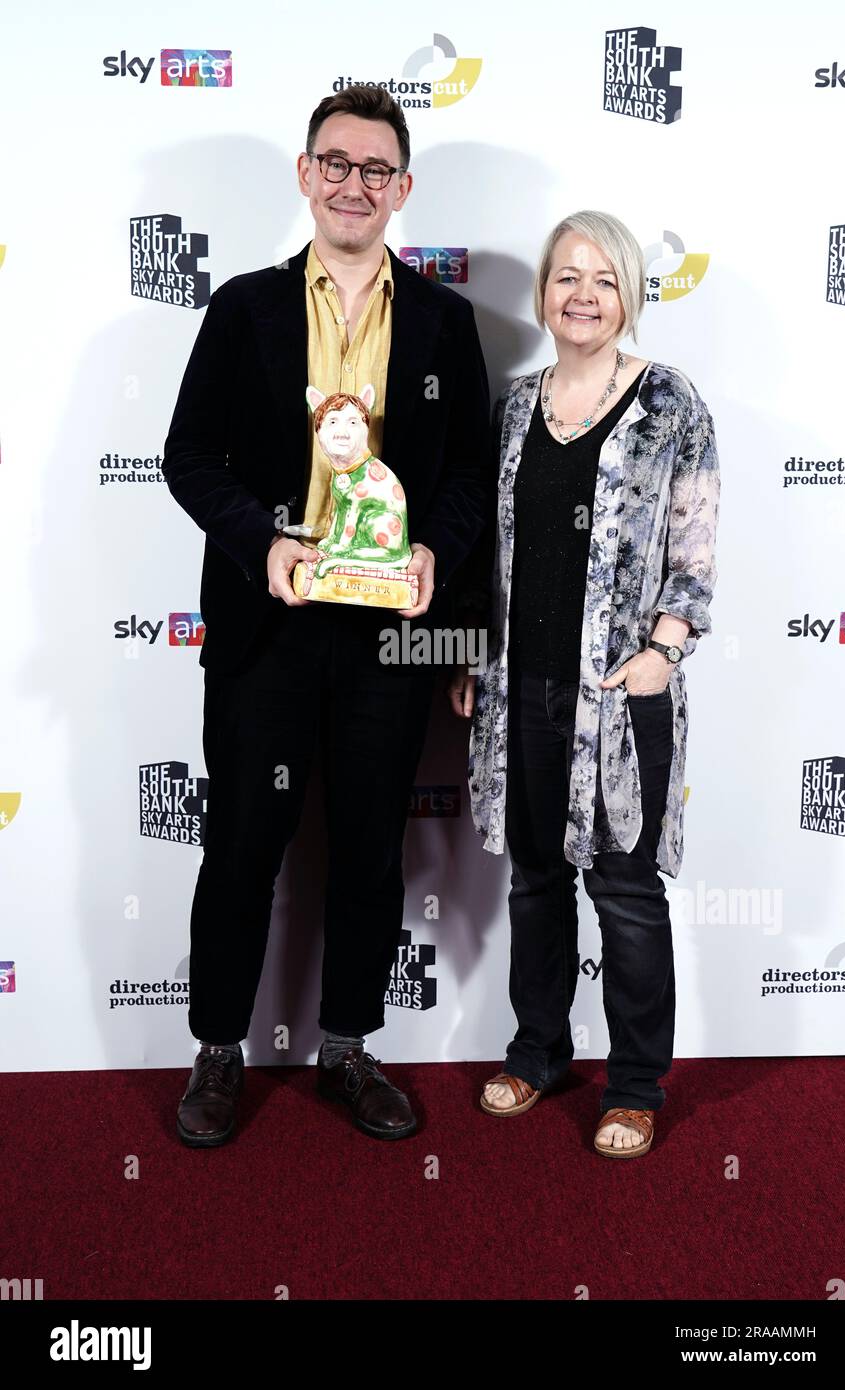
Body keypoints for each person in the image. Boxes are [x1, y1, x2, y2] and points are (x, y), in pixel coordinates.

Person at [163, 86, 490, 1146]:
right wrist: (264, 546)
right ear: (306, 175)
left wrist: (434, 552)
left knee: (366, 847)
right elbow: (188, 461)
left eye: (376, 168)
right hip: (271, 624)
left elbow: (469, 474)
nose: (355, 184)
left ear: (403, 189)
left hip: (391, 631)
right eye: (335, 163)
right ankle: (218, 1049)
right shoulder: (241, 309)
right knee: (245, 838)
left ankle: (347, 1047)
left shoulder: (445, 321)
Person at [449, 210, 720, 1158]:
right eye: (566, 276)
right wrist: (471, 655)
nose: (583, 295)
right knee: (534, 878)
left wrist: (666, 650)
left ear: (630, 294)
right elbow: (490, 551)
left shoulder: (668, 404)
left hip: (620, 690)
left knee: (628, 890)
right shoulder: (516, 406)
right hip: (524, 688)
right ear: (544, 293)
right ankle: (539, 1050)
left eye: (603, 279)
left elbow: (693, 546)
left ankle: (637, 1084)